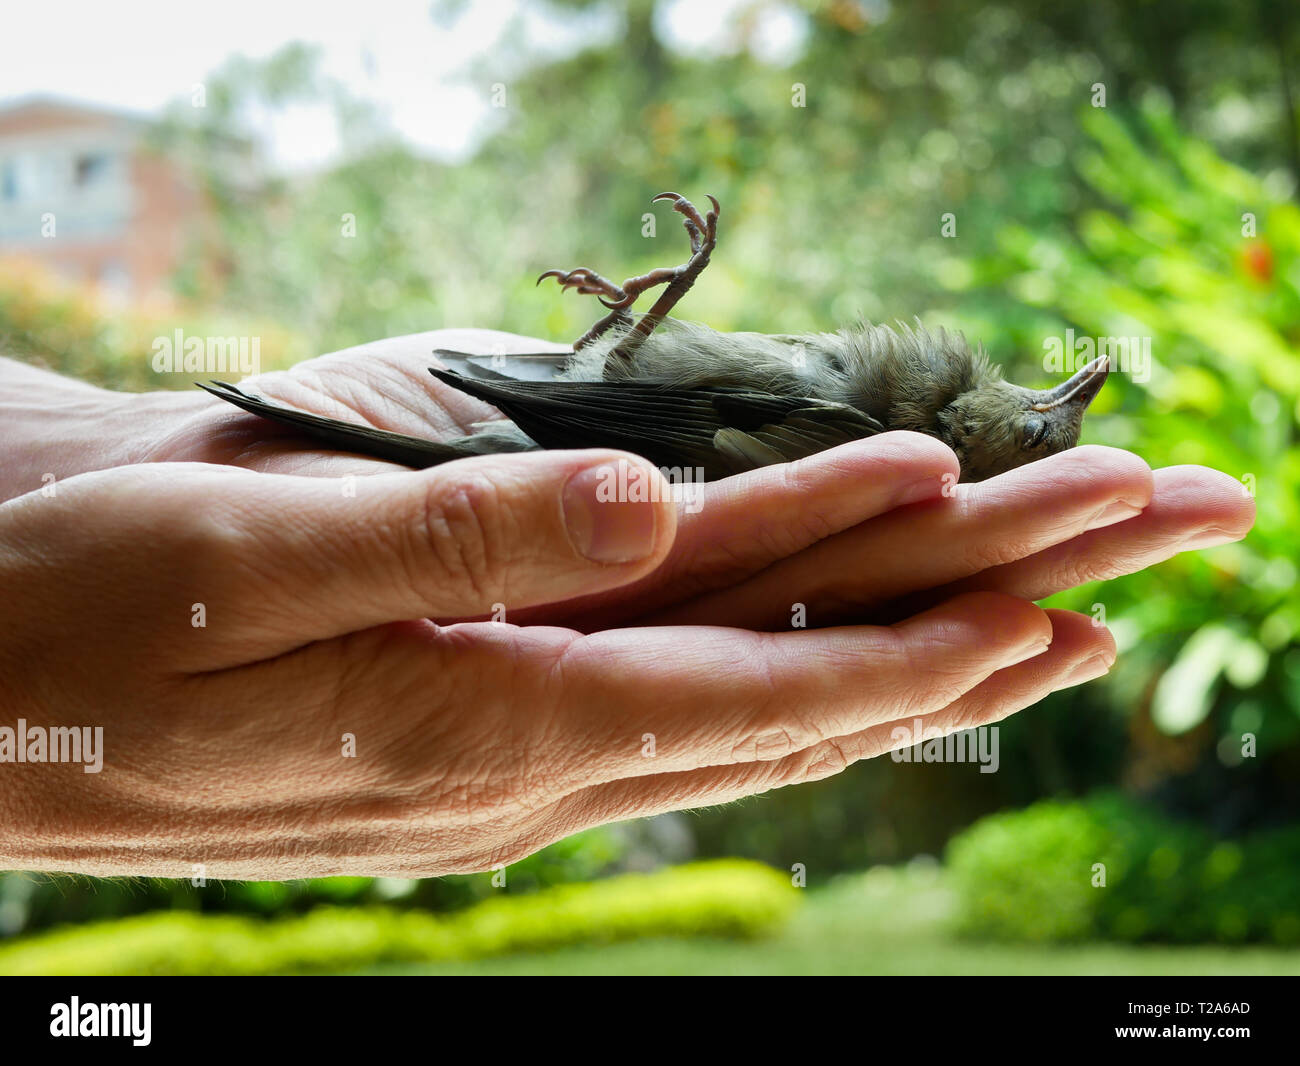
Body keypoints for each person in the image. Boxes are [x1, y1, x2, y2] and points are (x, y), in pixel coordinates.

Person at [0, 330, 1254, 879]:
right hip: (582, 422)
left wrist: (130, 446)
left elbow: (652, 408)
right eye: (1045, 410)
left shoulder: (865, 416)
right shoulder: (898, 399)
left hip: (607, 430)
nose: (1046, 395)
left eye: (1040, 423)